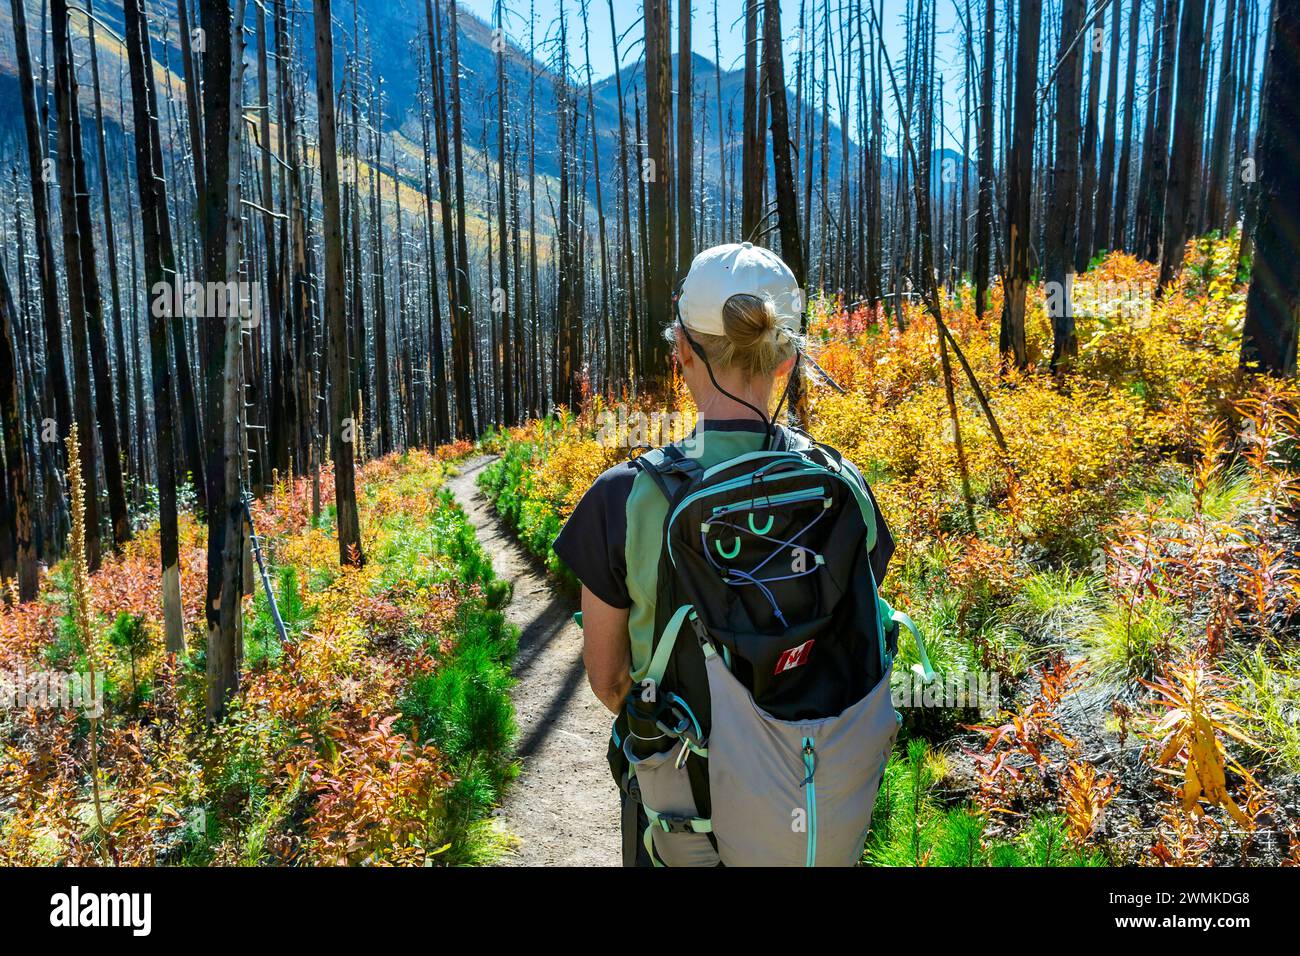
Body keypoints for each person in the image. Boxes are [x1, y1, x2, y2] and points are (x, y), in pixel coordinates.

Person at [553, 243, 905, 867]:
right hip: (813, 813)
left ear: (682, 351)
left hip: (688, 810)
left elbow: (609, 682)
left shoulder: (624, 498)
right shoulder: (842, 487)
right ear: (789, 359)